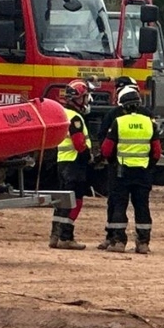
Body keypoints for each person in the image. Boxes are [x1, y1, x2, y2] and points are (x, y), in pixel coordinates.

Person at [99, 83, 162, 254]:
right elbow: (156, 151)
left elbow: (106, 149)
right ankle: (143, 243)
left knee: (119, 205)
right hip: (143, 173)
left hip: (121, 172)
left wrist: (113, 162)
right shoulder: (149, 122)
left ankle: (118, 241)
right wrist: (148, 166)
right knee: (142, 206)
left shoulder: (118, 121)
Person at [48, 80, 93, 250]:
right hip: (75, 163)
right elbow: (79, 143)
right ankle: (66, 237)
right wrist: (88, 157)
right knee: (75, 202)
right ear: (78, 99)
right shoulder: (75, 118)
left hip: (62, 162)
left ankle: (55, 236)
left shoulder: (62, 114)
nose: (86, 101)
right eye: (85, 98)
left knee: (62, 201)